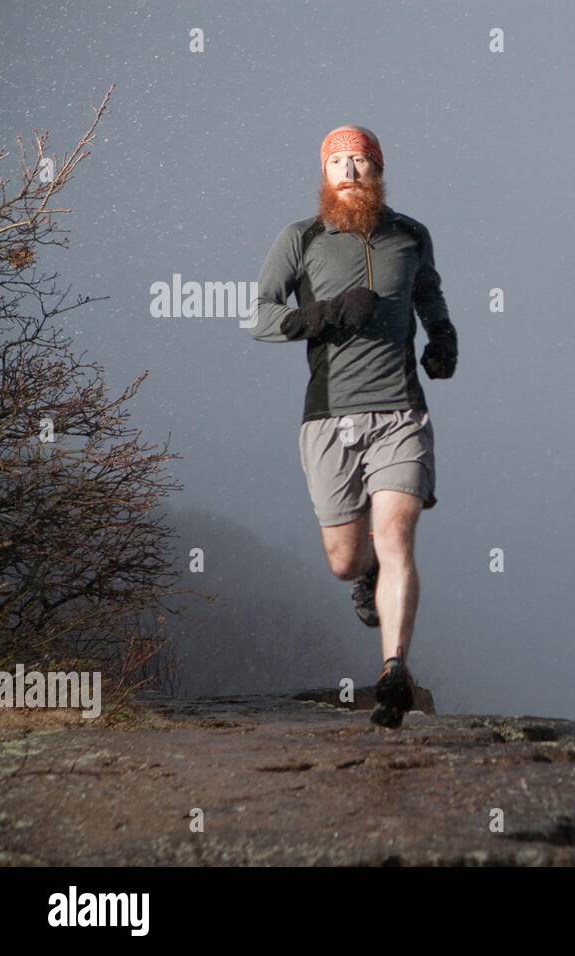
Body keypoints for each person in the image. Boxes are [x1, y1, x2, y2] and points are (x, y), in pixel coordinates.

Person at [248, 124, 457, 728]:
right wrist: (325, 314)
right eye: (336, 161)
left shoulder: (410, 235)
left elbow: (430, 296)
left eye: (359, 161)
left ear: (377, 169)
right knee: (345, 558)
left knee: (395, 537)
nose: (348, 170)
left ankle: (393, 671)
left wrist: (443, 338)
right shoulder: (302, 237)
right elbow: (259, 317)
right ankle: (361, 577)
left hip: (400, 413)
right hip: (330, 417)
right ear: (323, 173)